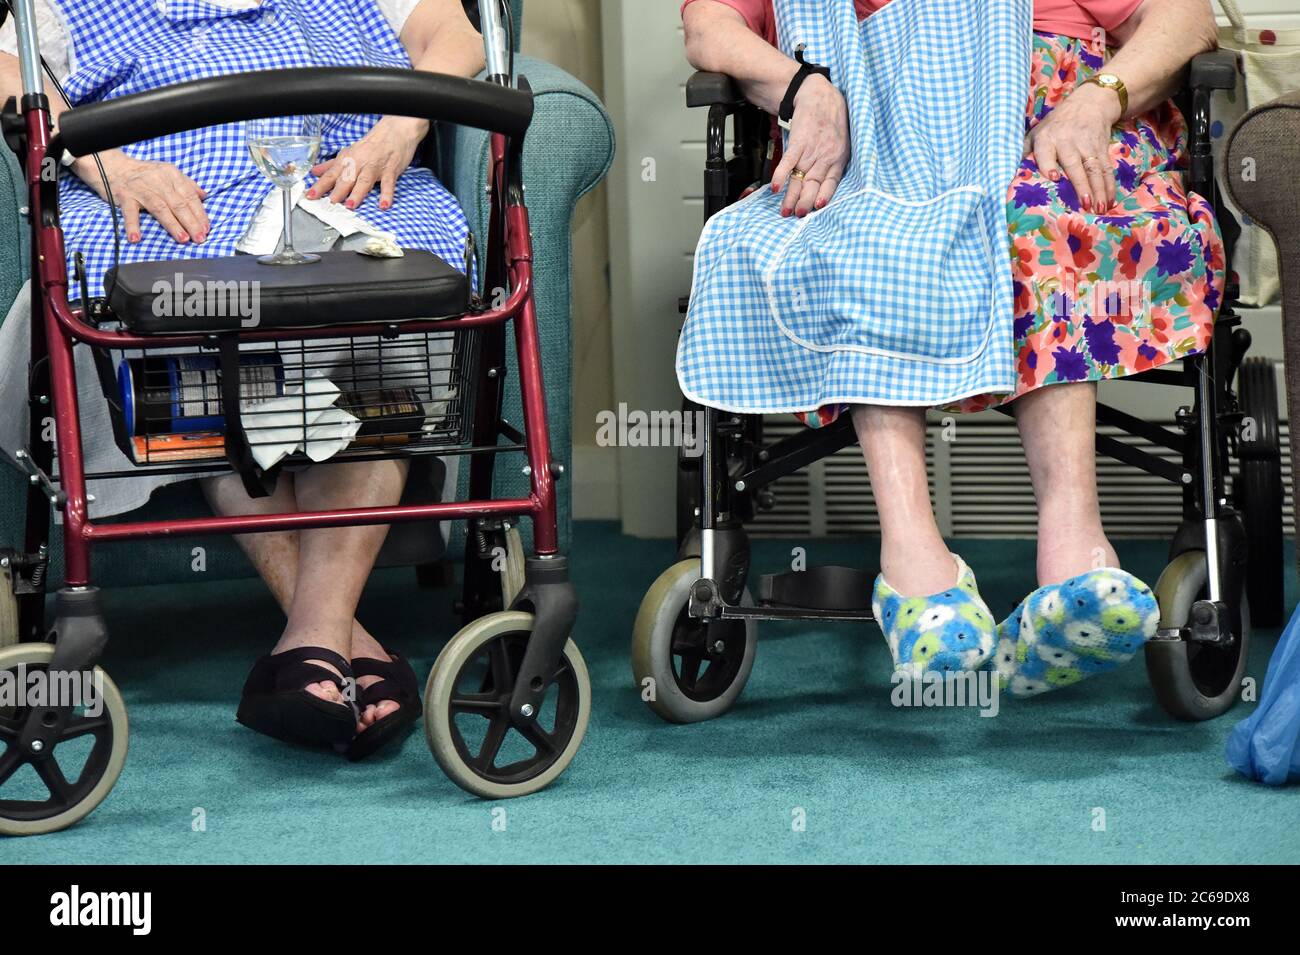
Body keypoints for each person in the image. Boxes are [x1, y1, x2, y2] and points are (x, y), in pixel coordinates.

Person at [680, 0, 1223, 696]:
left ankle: (1075, 561)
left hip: (1049, 120)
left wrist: (1099, 98)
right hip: (877, 131)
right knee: (866, 234)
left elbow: (1186, 17)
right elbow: (708, 27)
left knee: (1041, 222)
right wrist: (803, 89)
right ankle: (916, 571)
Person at [0, 0, 487, 755]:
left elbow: (455, 37)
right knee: (212, 378)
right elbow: (6, 69)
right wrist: (106, 163)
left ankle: (312, 647)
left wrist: (402, 126)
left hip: (337, 189)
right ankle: (337, 642)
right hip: (173, 203)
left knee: (362, 356)